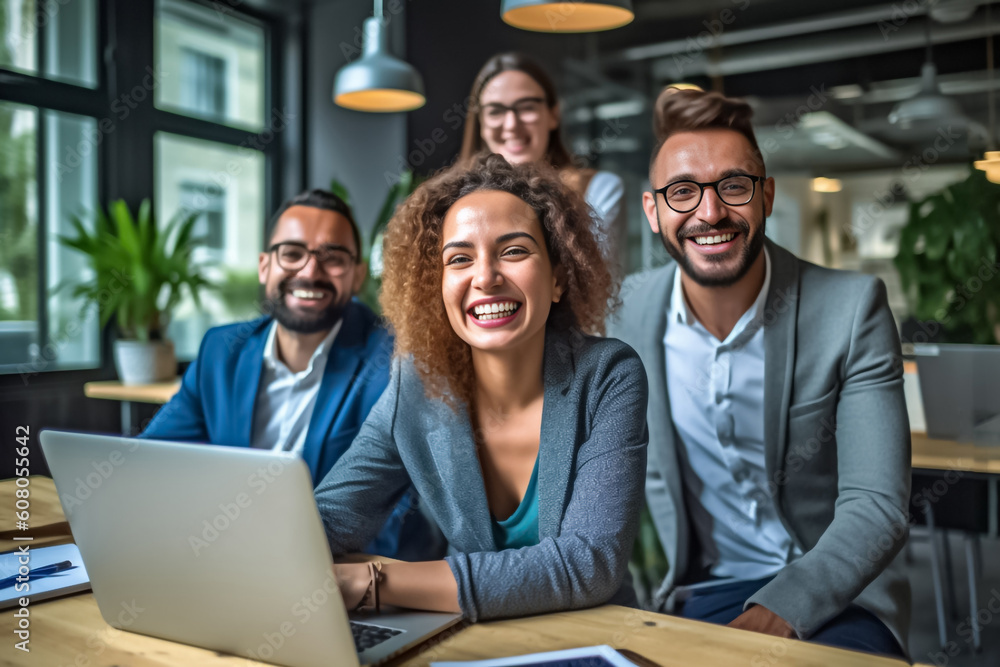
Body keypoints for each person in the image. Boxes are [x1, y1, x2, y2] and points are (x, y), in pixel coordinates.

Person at [608, 88, 911, 657]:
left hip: (836, 596)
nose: (710, 212)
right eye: (682, 192)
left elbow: (877, 505)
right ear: (653, 212)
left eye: (733, 185)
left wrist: (775, 616)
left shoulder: (851, 309)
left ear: (765, 195)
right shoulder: (622, 315)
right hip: (692, 592)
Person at [314, 154, 648, 622]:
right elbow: (323, 523)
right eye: (460, 259)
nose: (485, 277)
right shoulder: (416, 386)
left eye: (513, 251)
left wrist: (370, 583)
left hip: (595, 639)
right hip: (472, 641)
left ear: (557, 278)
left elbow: (588, 565)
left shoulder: (608, 375)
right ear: (438, 285)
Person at [140, 189, 413, 557]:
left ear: (357, 276)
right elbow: (150, 461)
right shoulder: (222, 351)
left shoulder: (394, 360)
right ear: (264, 265)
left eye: (332, 258)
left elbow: (397, 510)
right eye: (292, 253)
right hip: (222, 555)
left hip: (337, 571)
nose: (310, 271)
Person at [459, 52, 626, 272]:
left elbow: (596, 283)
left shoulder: (597, 189)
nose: (511, 124)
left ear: (553, 114)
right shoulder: (454, 201)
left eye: (527, 107)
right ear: (481, 121)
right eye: (496, 111)